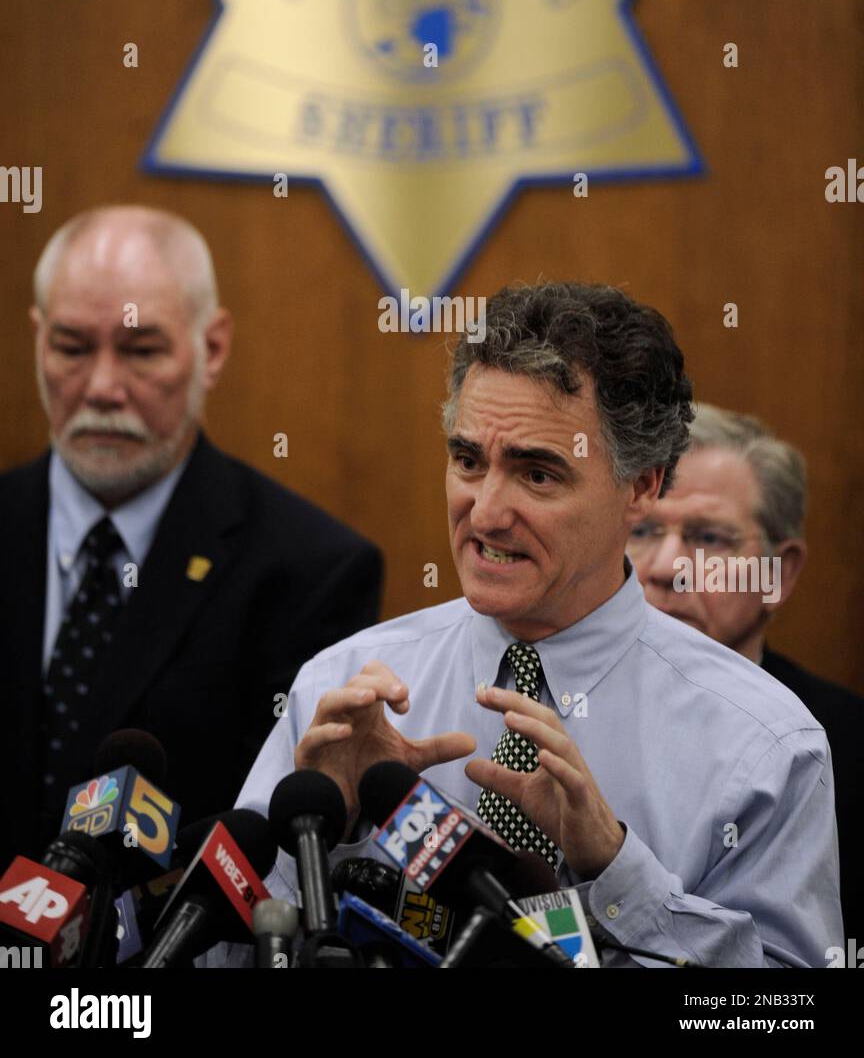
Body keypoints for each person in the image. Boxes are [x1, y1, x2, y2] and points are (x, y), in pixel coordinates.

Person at [205, 283, 841, 968]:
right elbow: (221, 955)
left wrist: (615, 868)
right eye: (468, 461)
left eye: (537, 474)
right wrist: (323, 834)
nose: (484, 514)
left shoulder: (766, 745)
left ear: (642, 486)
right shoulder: (339, 688)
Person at [0, 205, 381, 867]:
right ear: (37, 341)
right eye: (71, 348)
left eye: (142, 350)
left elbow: (274, 848)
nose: (102, 388)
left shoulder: (310, 573)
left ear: (212, 348)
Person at [630, 401, 863, 939]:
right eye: (642, 531)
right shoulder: (558, 705)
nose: (666, 568)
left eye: (708, 538)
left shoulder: (846, 746)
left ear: (778, 573)